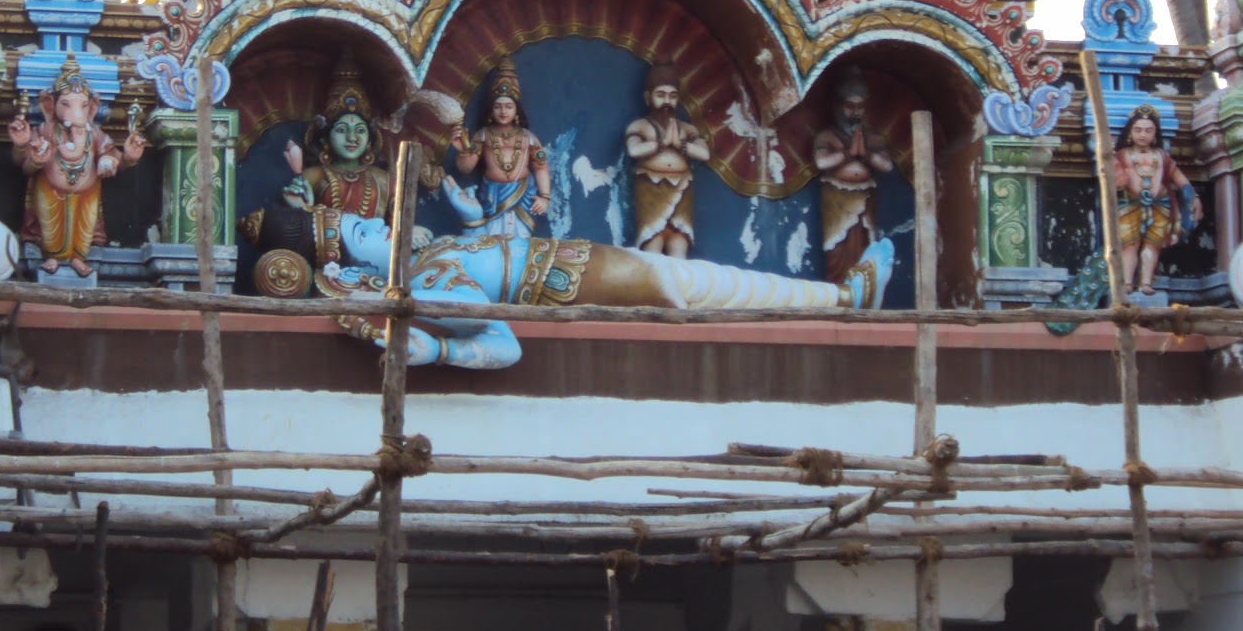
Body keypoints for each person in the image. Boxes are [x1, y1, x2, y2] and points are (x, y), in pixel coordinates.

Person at [240, 186, 893, 370]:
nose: (377, 226)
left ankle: (838, 296)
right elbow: (504, 343)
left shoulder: (426, 261)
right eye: (360, 233)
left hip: (572, 259)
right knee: (688, 290)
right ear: (343, 266)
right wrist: (431, 345)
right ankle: (837, 299)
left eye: (368, 222)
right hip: (568, 278)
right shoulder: (423, 276)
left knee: (695, 280)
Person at [9, 58, 144, 276]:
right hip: (49, 191)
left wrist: (128, 157)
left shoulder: (94, 134)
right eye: (66, 104)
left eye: (82, 105)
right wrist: (22, 146)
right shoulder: (45, 131)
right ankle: (51, 255)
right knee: (50, 225)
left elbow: (111, 156)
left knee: (85, 227)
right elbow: (22, 165)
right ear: (49, 105)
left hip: (87, 194)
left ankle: (78, 257)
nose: (76, 112)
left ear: (91, 107)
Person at [283, 51, 392, 220]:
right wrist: (303, 209)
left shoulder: (385, 180)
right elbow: (301, 230)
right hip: (326, 245)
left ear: (370, 139)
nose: (352, 138)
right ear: (325, 138)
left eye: (360, 130)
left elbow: (399, 227)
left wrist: (413, 231)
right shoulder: (312, 176)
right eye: (342, 130)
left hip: (377, 245)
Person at [449, 58, 550, 236]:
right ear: (492, 110)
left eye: (509, 107)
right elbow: (466, 169)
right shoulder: (483, 135)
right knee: (492, 237)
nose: (503, 111)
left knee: (521, 239)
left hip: (523, 196)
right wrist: (463, 150)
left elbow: (540, 167)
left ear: (516, 110)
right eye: (498, 107)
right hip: (493, 197)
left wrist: (544, 197)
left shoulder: (529, 138)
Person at [813, 68, 894, 283]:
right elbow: (821, 162)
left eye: (860, 107)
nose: (855, 112)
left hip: (865, 198)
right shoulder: (828, 136)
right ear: (838, 107)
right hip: (837, 197)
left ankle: (861, 293)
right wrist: (849, 154)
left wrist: (866, 154)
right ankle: (839, 290)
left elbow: (887, 166)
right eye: (850, 106)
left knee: (864, 246)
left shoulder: (872, 139)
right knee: (837, 250)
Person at [1112, 105, 1201, 296]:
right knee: (1129, 244)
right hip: (1129, 205)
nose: (1143, 135)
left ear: (1155, 134)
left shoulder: (1162, 157)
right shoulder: (1123, 155)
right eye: (1138, 130)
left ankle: (1145, 283)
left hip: (1160, 205)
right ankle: (1127, 282)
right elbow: (1113, 181)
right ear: (1129, 133)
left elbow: (1180, 180)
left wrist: (1194, 198)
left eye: (1148, 130)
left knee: (1152, 245)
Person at [626, 63, 712, 256]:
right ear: (648, 98)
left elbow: (704, 154)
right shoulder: (640, 126)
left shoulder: (687, 129)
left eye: (672, 96)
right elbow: (634, 150)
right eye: (661, 95)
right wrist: (662, 144)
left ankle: (680, 284)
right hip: (650, 187)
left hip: (682, 186)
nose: (667, 101)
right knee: (653, 241)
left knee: (679, 241)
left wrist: (680, 145)